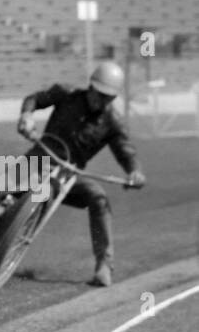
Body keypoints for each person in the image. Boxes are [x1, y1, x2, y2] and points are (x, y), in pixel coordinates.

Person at [13, 60, 145, 287]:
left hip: (67, 176)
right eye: (99, 94)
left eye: (108, 98)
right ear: (91, 86)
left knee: (99, 198)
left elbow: (126, 151)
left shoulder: (113, 122)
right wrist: (27, 115)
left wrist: (135, 172)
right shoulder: (66, 93)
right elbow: (34, 99)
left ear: (114, 99)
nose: (101, 101)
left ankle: (104, 265)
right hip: (38, 157)